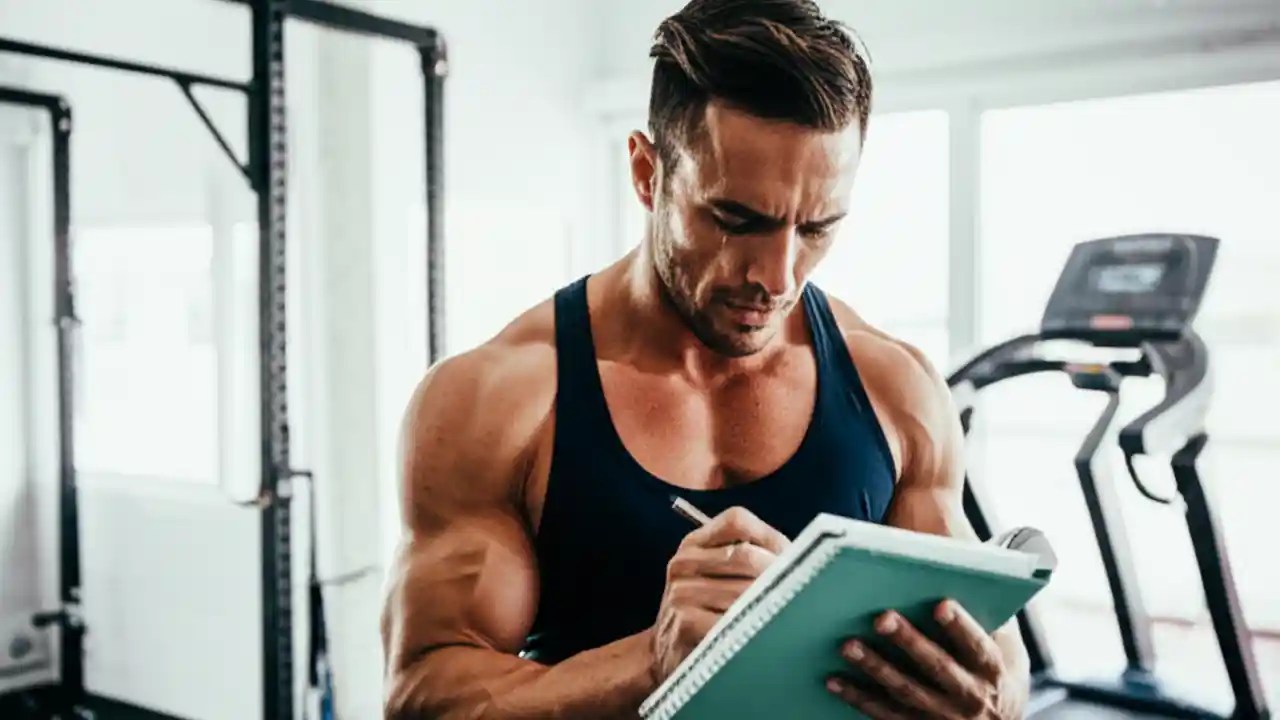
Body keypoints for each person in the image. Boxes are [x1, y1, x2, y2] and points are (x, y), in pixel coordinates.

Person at [381, 1, 1030, 717]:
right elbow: (422, 698)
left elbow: (995, 659)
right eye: (736, 220)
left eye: (816, 226)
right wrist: (655, 658)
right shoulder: (499, 398)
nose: (778, 277)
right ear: (647, 173)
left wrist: (984, 697)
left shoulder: (895, 388)